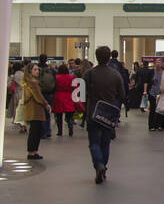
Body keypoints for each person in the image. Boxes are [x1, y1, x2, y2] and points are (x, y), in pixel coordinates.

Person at [84, 46, 126, 184]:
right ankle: (104, 166)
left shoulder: (89, 74)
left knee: (94, 142)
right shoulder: (115, 74)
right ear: (109, 58)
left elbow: (83, 94)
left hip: (93, 111)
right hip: (109, 112)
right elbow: (122, 94)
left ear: (96, 57)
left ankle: (98, 164)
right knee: (106, 142)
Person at [21, 65, 49, 160]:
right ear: (30, 71)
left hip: (32, 109)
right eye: (35, 69)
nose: (37, 71)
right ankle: (32, 152)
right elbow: (38, 96)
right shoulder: (33, 83)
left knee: (35, 130)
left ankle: (33, 151)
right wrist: (46, 104)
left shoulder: (27, 82)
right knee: (35, 131)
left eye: (38, 69)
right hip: (35, 109)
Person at [53, 62, 77, 137]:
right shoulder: (72, 77)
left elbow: (53, 87)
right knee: (70, 115)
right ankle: (70, 129)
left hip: (58, 96)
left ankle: (60, 131)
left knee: (59, 115)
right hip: (69, 96)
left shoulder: (56, 77)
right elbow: (75, 86)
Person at [38, 56, 57, 138]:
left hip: (40, 93)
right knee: (48, 112)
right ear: (46, 60)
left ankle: (42, 131)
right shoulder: (51, 70)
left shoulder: (36, 69)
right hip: (49, 93)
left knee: (40, 113)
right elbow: (55, 82)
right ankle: (48, 130)